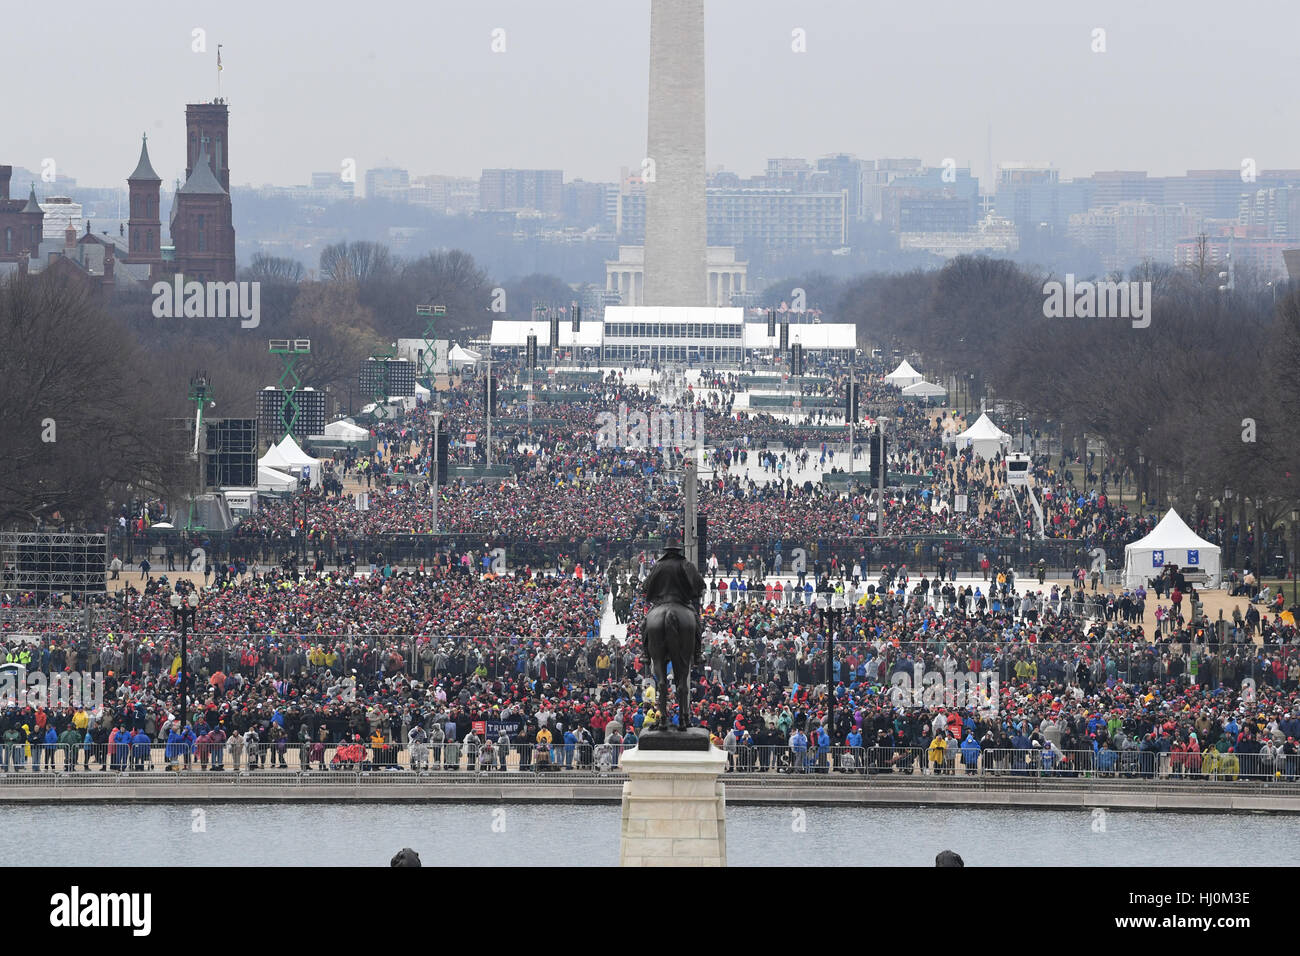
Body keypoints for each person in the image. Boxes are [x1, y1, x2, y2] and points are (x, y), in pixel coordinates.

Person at [641, 541, 707, 668]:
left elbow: (645, 586)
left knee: (644, 624)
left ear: (666, 552)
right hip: (681, 602)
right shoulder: (687, 564)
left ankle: (645, 653)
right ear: (678, 551)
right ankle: (698, 653)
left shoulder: (658, 565)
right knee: (697, 623)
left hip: (661, 602)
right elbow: (700, 584)